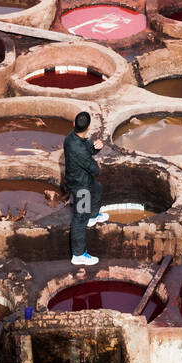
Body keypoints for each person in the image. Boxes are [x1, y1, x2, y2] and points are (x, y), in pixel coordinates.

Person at [64, 111, 108, 266]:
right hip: (81, 187)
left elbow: (85, 145)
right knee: (79, 219)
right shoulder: (79, 149)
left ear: (74, 124)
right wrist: (97, 166)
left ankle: (93, 216)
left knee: (97, 188)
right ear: (88, 127)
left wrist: (96, 147)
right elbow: (95, 170)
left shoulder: (70, 138)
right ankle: (78, 254)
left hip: (83, 180)